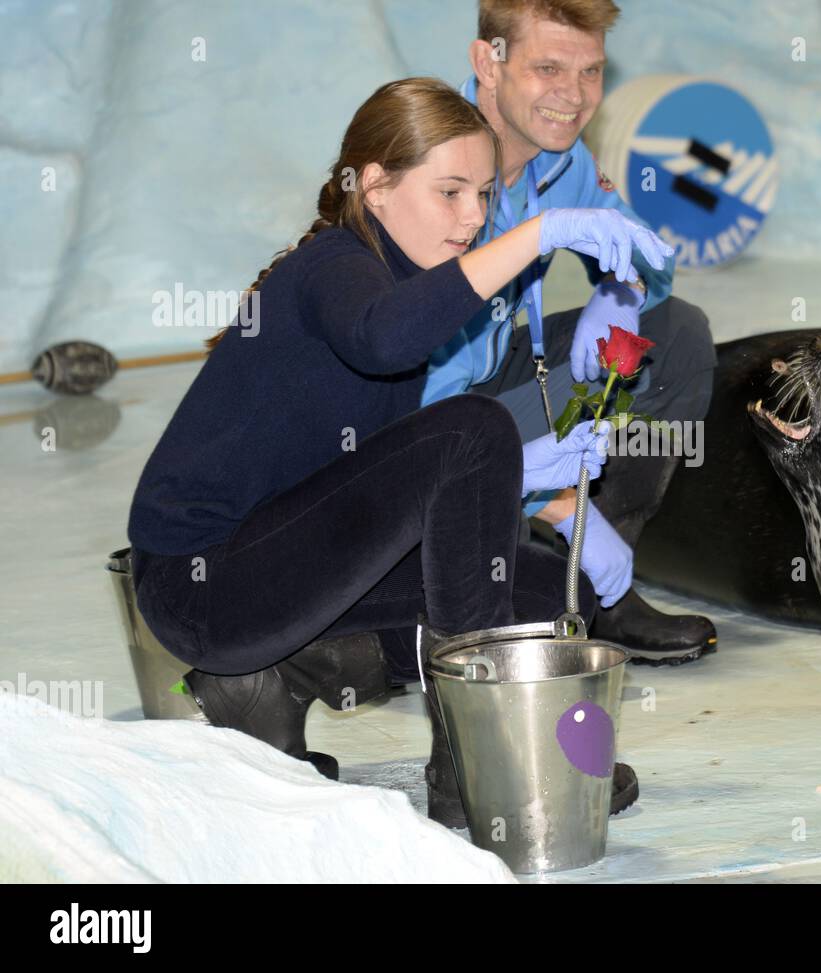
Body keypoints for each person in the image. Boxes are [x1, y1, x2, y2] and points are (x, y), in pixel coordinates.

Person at [126, 77, 672, 822]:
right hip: (205, 589)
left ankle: (270, 680)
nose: (474, 216)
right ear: (375, 186)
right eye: (450, 192)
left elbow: (381, 483)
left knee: (534, 591)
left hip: (279, 573)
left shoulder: (395, 283)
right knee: (472, 427)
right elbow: (386, 337)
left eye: (483, 195)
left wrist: (527, 474)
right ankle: (479, 764)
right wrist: (539, 236)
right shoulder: (334, 266)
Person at [415, 0, 719, 665]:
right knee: (480, 439)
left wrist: (622, 291)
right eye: (547, 67)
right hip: (416, 419)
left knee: (677, 337)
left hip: (495, 371)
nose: (573, 96)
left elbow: (647, 253)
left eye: (591, 71)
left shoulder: (563, 162)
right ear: (485, 62)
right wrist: (553, 498)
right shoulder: (429, 157)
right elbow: (403, 393)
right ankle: (525, 550)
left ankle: (601, 578)